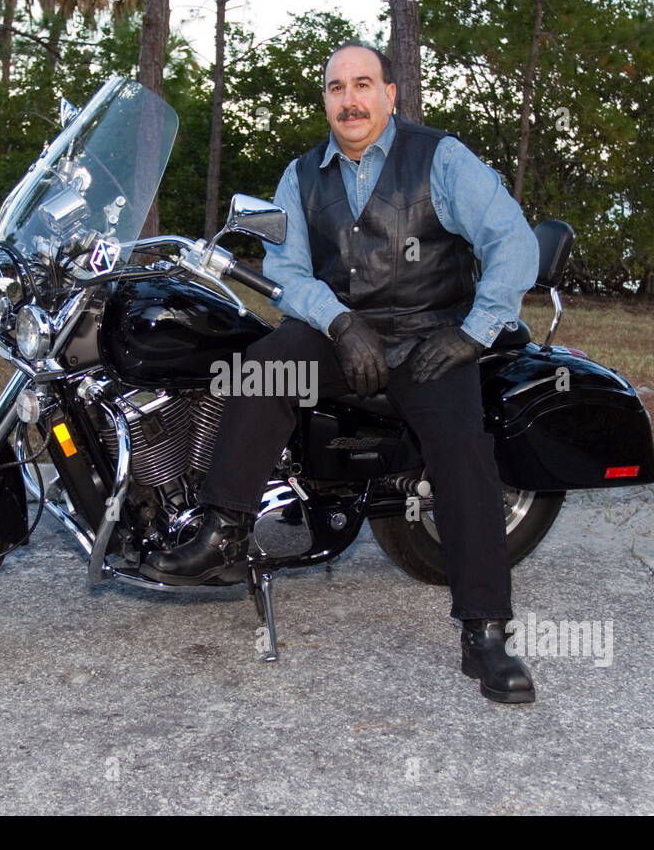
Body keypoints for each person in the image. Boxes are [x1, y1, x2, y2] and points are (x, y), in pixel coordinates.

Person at [141, 40, 540, 703]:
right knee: (259, 370)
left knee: (462, 450)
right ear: (325, 99)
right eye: (336, 88)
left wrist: (472, 333)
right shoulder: (301, 176)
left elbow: (513, 242)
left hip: (427, 338)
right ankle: (224, 528)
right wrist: (341, 324)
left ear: (390, 95)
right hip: (337, 334)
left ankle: (486, 635)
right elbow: (287, 274)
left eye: (363, 85)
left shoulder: (440, 157)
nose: (349, 100)